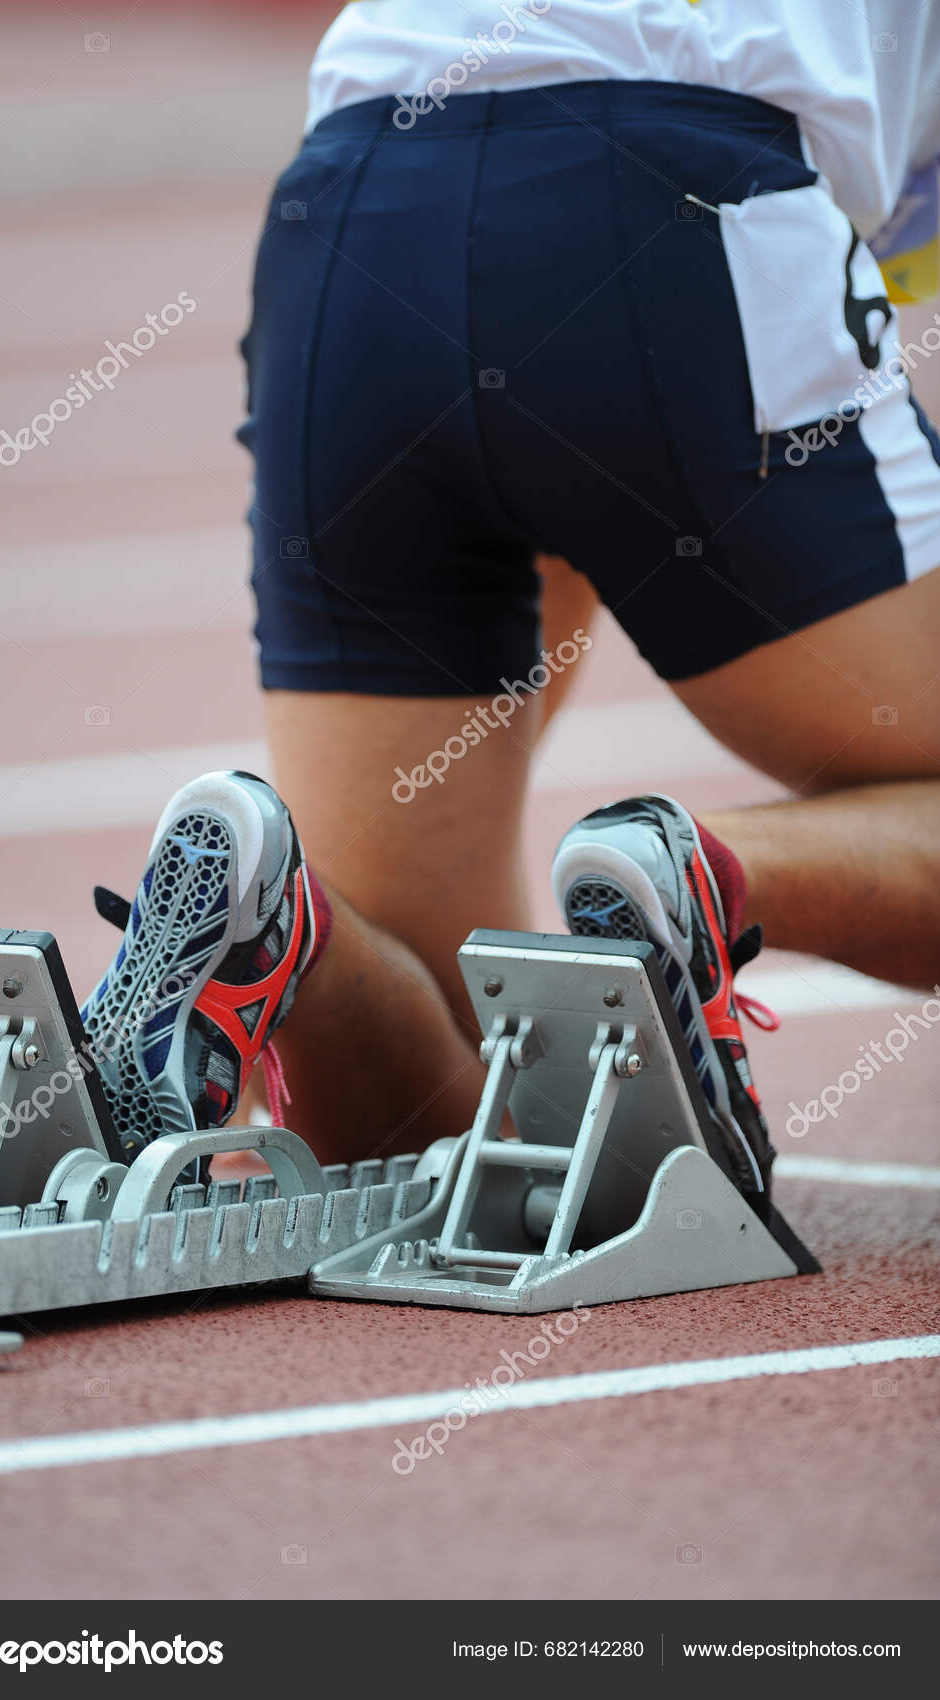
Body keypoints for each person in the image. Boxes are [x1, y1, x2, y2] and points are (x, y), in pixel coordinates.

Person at [82, 1, 940, 1222]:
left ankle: (278, 928)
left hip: (356, 210)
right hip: (677, 183)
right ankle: (704, 874)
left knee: (417, 1152)